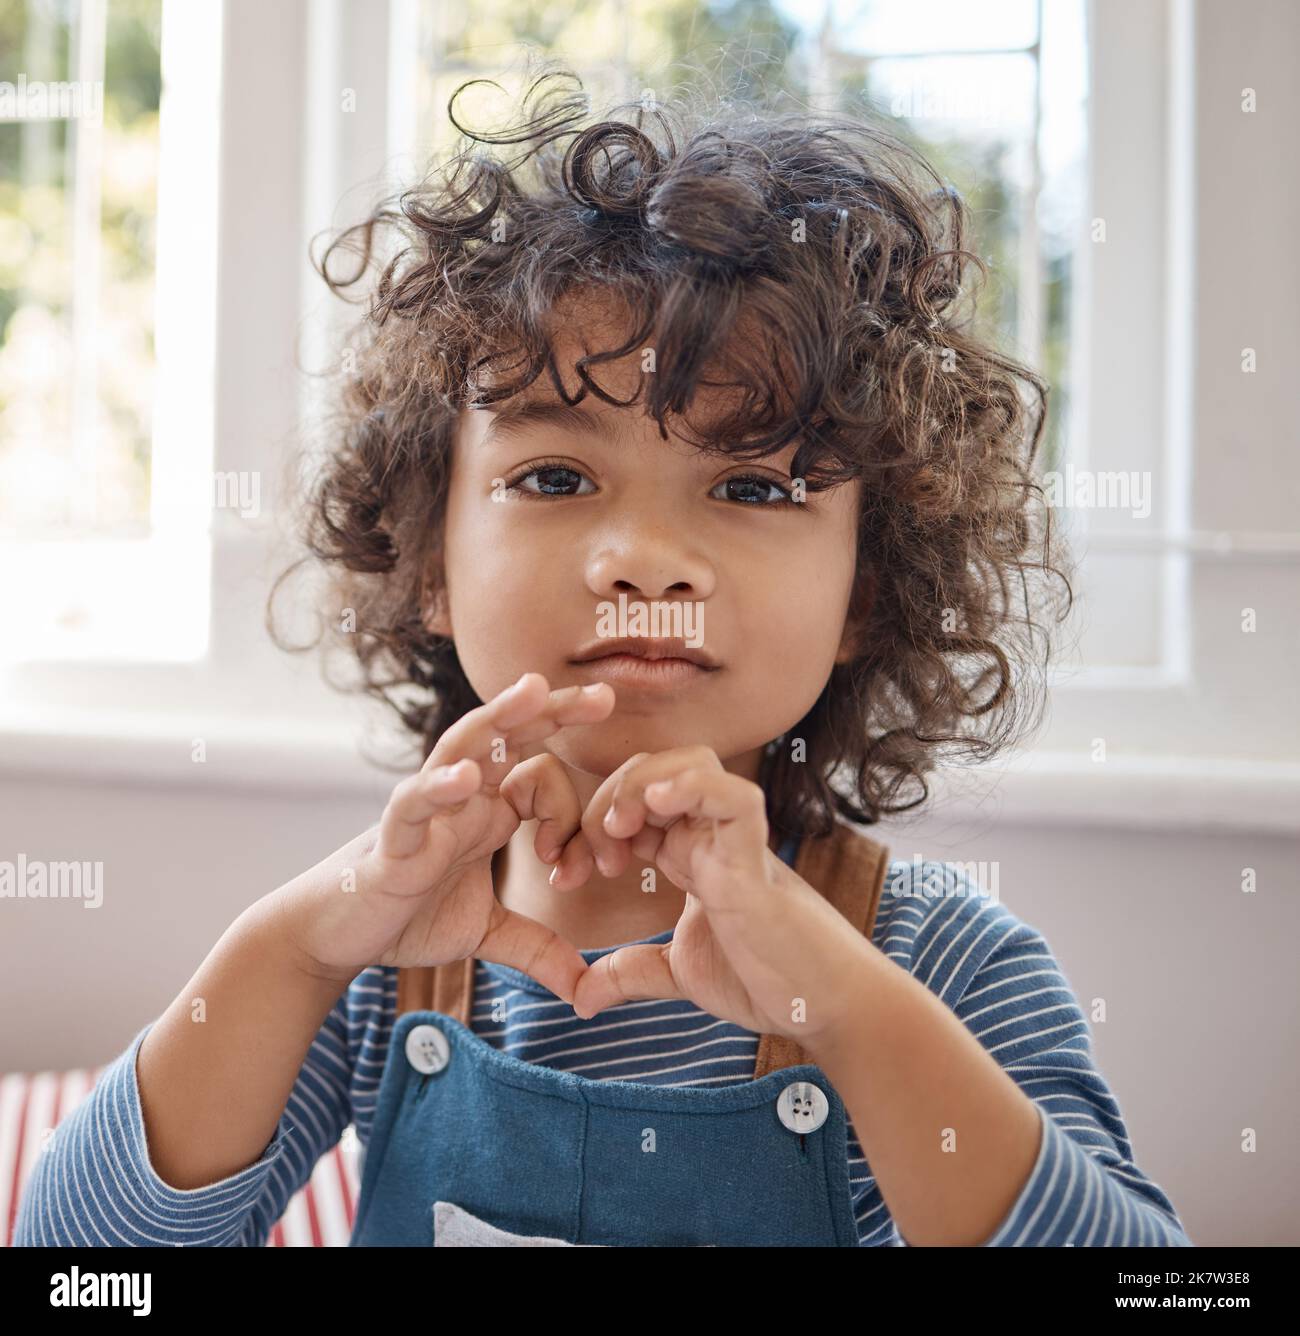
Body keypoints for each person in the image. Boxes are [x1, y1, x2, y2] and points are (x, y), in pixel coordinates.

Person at [15, 67, 1191, 1247]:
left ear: (862, 598)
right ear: (430, 563)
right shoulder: (376, 957)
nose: (645, 561)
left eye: (751, 484)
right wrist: (296, 947)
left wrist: (845, 1005)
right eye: (556, 478)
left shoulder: (940, 962)